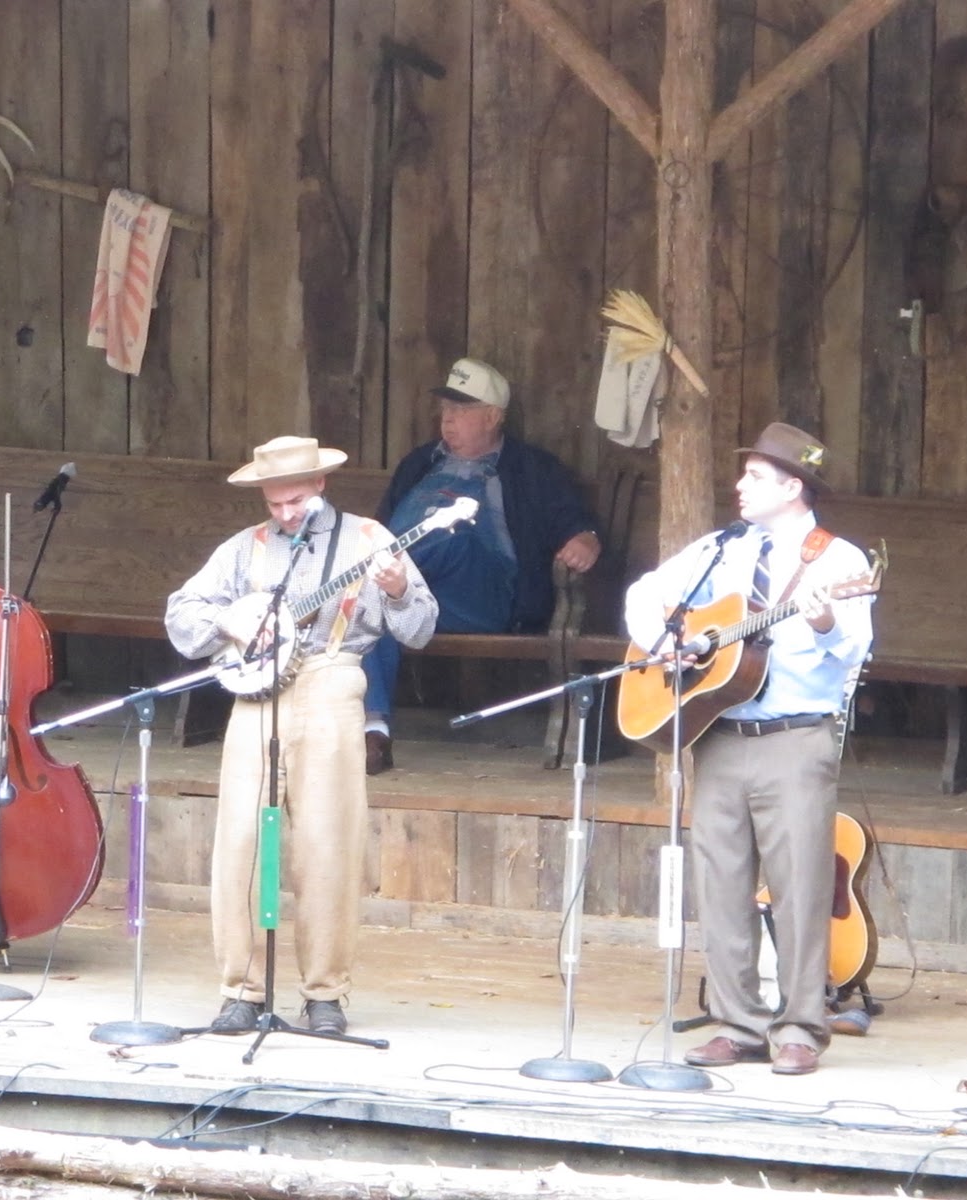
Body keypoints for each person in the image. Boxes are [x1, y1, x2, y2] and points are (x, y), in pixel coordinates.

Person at [622, 422, 874, 1077]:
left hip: (794, 739)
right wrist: (666, 643)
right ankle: (738, 1025)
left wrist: (820, 617)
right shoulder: (724, 547)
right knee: (721, 881)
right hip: (722, 734)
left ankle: (799, 1027)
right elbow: (645, 595)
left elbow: (850, 647)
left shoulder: (840, 561)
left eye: (755, 477)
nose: (740, 485)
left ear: (793, 487)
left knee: (800, 887)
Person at [165, 436, 438, 1035]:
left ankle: (324, 996)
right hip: (254, 699)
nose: (285, 512)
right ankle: (241, 990)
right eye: (274, 501)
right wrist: (227, 619)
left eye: (295, 499)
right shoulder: (246, 549)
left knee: (327, 845)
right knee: (240, 842)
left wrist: (395, 589)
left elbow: (420, 629)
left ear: (320, 486)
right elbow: (181, 617)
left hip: (332, 683)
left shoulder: (370, 541)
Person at [360, 358, 601, 774]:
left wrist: (585, 539)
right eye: (445, 410)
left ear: (493, 417)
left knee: (452, 538)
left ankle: (371, 582)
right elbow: (379, 531)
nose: (447, 420)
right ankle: (374, 732)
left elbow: (577, 526)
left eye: (461, 411)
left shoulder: (532, 468)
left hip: (484, 595)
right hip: (414, 599)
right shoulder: (419, 463)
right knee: (373, 607)